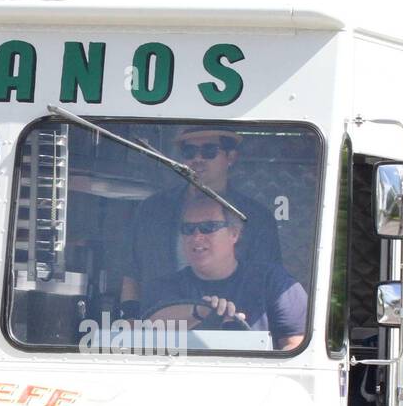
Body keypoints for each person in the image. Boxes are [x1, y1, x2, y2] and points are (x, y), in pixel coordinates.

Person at [119, 125, 283, 308]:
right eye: (189, 152)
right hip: (161, 323)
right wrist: (130, 319)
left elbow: (267, 281)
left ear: (231, 157)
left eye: (209, 151)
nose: (197, 159)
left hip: (229, 326)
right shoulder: (152, 209)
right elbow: (132, 272)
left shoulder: (255, 217)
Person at [142, 195, 308, 350]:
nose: (197, 236)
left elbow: (297, 350)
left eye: (209, 227)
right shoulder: (163, 287)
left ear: (234, 234)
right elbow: (149, 335)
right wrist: (201, 312)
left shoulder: (272, 282)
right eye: (188, 229)